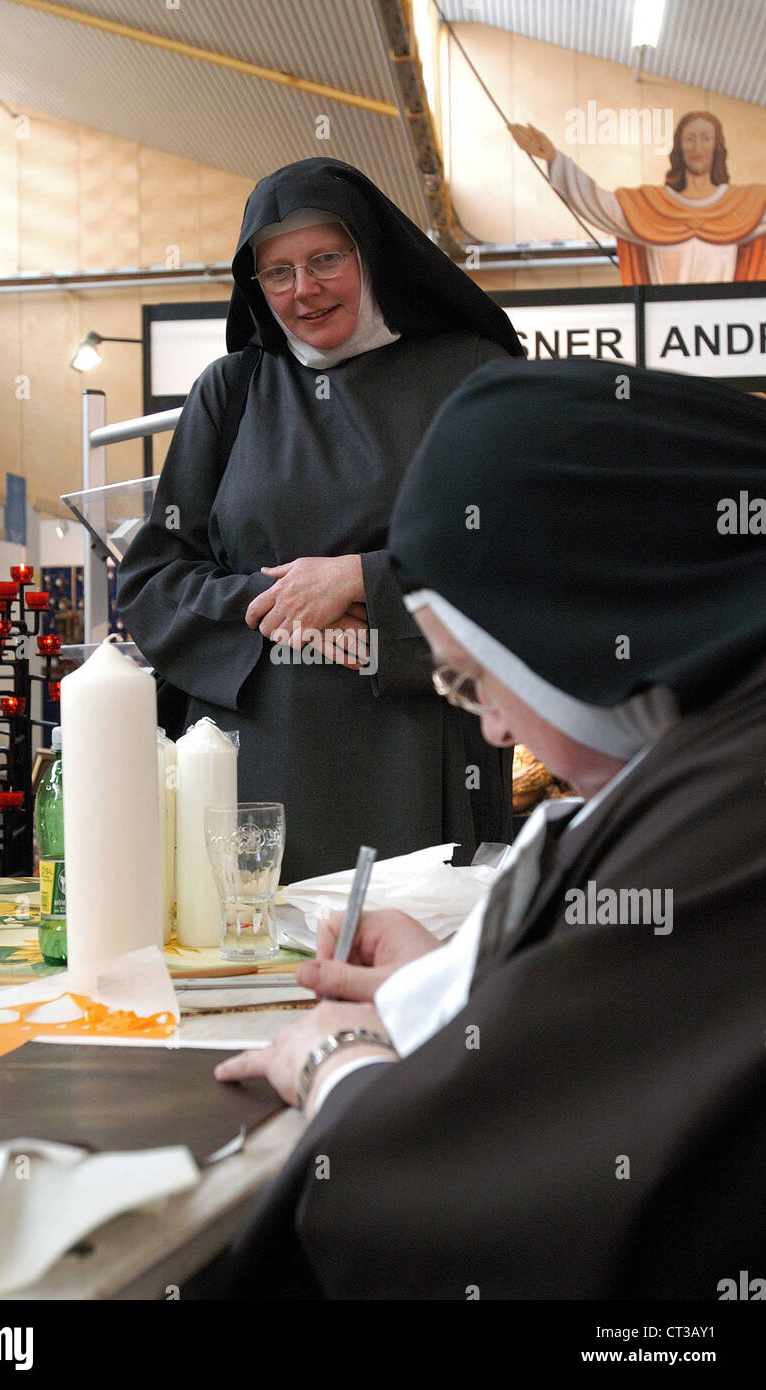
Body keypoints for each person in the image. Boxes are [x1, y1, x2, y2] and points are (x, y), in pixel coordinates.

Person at [203, 357, 766, 1299]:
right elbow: (616, 1030)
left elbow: (508, 1193)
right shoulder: (720, 744)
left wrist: (337, 1066)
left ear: (581, 620)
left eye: (475, 680)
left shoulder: (731, 801)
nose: (495, 728)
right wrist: (450, 981)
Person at [116, 157, 522, 881]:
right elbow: (153, 580)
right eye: (278, 272)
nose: (304, 289)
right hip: (257, 777)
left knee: (404, 978)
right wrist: (283, 607)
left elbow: (527, 558)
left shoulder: (471, 373)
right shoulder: (231, 390)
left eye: (326, 259)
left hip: (422, 759)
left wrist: (362, 580)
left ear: (370, 252)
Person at [509, 111, 766, 283]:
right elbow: (597, 202)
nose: (697, 147)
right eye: (690, 138)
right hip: (664, 324)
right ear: (678, 147)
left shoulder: (747, 204)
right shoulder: (649, 207)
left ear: (717, 146)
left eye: (705, 138)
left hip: (725, 326)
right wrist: (554, 158)